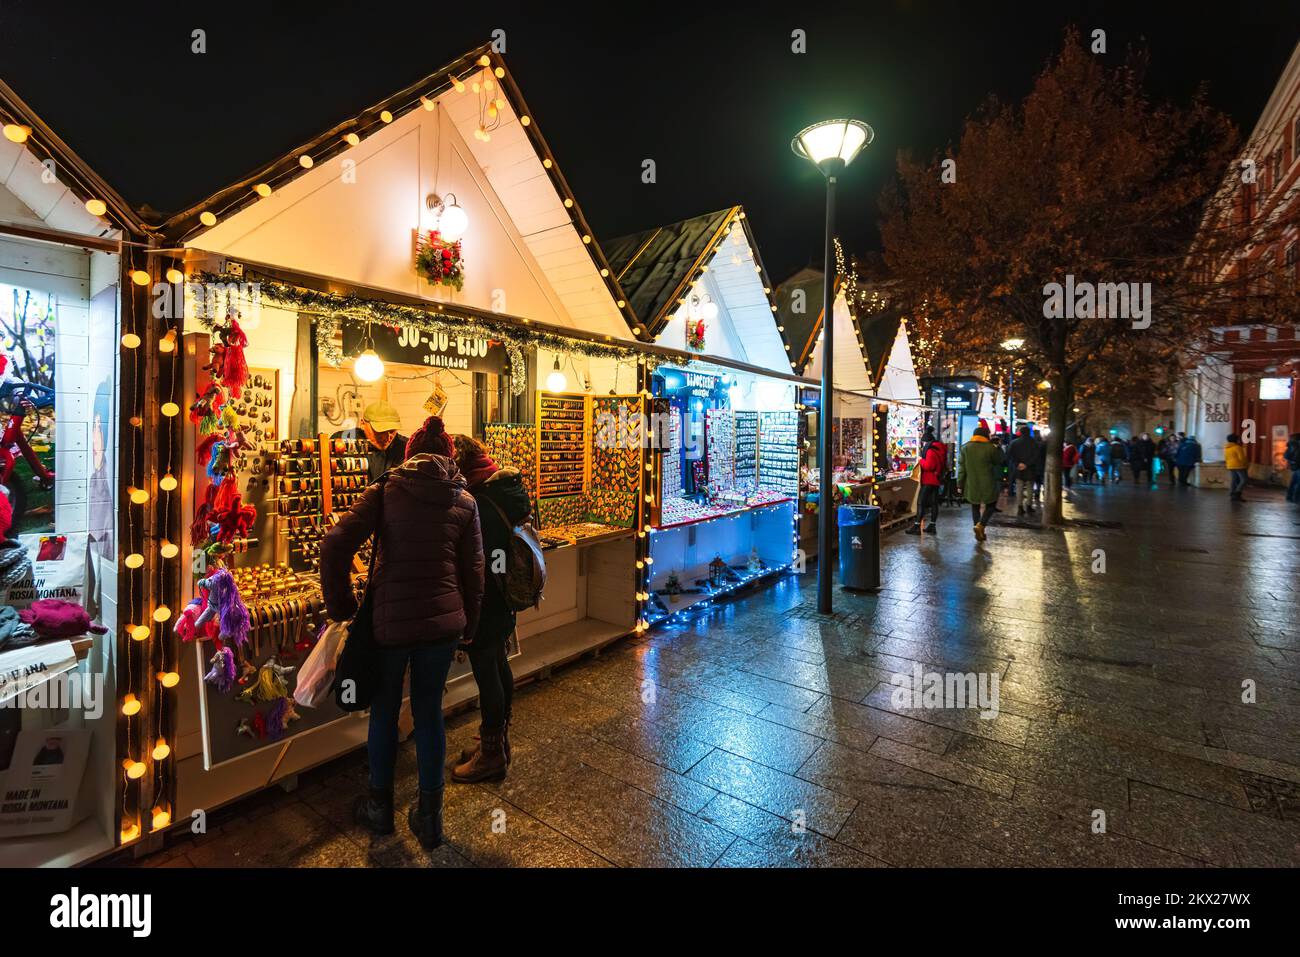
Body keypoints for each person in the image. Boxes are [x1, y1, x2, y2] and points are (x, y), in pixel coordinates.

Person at [320, 415, 484, 849]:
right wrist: (469, 624)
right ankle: (430, 818)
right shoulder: (465, 501)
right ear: (450, 457)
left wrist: (342, 605)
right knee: (429, 714)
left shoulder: (386, 491)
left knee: (384, 713)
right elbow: (474, 571)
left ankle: (379, 809)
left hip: (390, 626)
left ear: (409, 454)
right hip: (443, 628)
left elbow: (335, 543)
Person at [450, 434, 532, 783]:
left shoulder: (480, 502)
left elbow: (480, 561)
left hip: (487, 600)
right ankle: (497, 739)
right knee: (498, 665)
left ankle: (492, 754)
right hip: (503, 597)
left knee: (488, 671)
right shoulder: (505, 489)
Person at [331, 400, 409, 485]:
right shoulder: (342, 442)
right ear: (362, 424)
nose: (387, 438)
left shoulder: (406, 448)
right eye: (380, 431)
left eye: (392, 431)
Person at [957, 425, 1005, 542]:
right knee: (991, 505)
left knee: (975, 506)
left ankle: (978, 529)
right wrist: (998, 447)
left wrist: (959, 484)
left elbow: (961, 469)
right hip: (988, 482)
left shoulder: (965, 448)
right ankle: (981, 525)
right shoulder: (990, 448)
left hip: (971, 483)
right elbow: (1000, 460)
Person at [907, 427, 946, 535]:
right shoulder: (939, 448)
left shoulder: (930, 450)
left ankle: (916, 526)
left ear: (926, 442)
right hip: (936, 480)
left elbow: (929, 466)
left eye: (923, 442)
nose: (923, 444)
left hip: (929, 480)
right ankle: (932, 525)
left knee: (921, 502)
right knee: (934, 503)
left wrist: (920, 460)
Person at [1006, 425, 1038, 516]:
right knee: (1030, 488)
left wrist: (1018, 464)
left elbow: (1010, 455)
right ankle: (1029, 506)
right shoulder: (1034, 443)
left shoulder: (1014, 442)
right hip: (1030, 469)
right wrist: (1027, 464)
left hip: (1018, 469)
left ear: (1020, 432)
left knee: (1019, 488)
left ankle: (1020, 507)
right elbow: (1036, 456)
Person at [1224, 432, 1248, 502]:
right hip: (1239, 466)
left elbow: (1226, 457)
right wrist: (1246, 465)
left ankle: (1232, 494)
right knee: (1244, 480)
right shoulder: (1237, 447)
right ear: (1236, 440)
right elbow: (1242, 458)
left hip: (1230, 466)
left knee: (1234, 480)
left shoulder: (1226, 448)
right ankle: (1237, 494)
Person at [1286, 433, 1300, 504]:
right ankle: (1296, 498)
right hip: (1298, 465)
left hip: (1294, 465)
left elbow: (1286, 456)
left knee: (1294, 481)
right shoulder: (1296, 445)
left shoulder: (1291, 444)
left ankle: (1289, 496)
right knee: (1298, 482)